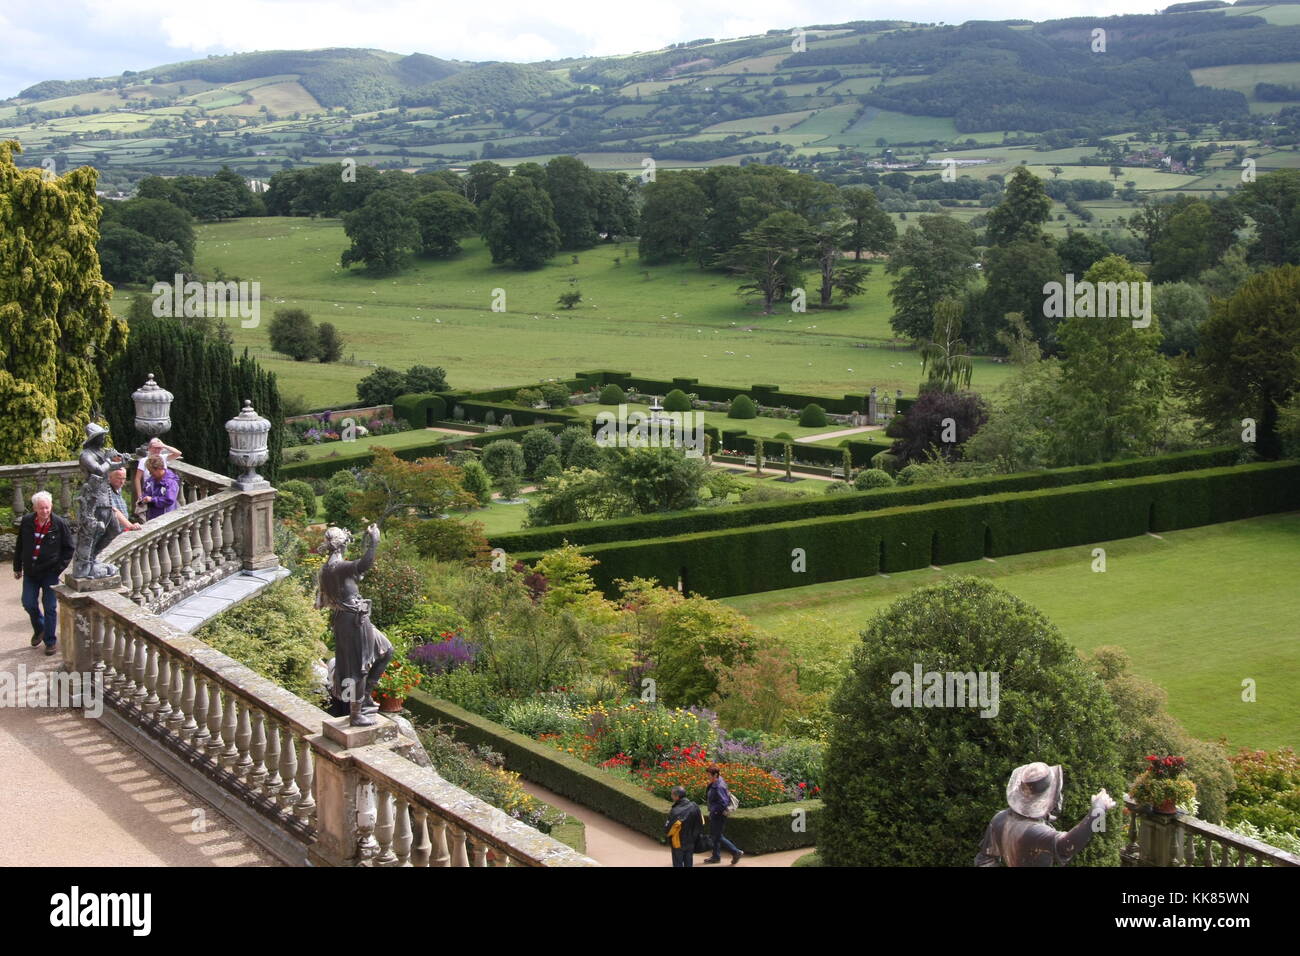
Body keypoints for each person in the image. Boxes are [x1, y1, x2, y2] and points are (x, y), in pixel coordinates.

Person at [317, 524, 394, 726]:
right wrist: (374, 541)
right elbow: (365, 564)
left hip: (350, 619)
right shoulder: (338, 567)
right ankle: (356, 713)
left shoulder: (327, 568)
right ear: (342, 545)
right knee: (358, 666)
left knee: (386, 650)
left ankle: (365, 696)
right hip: (353, 621)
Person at [975, 761, 1117, 867]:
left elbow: (984, 859)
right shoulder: (1034, 831)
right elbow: (1068, 845)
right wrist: (1098, 808)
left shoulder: (1000, 818)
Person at [13, 491, 75, 655]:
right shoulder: (27, 521)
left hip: (50, 573)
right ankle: (39, 628)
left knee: (50, 607)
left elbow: (69, 548)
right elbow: (20, 545)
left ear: (51, 506)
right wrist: (17, 567)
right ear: (34, 508)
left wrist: (58, 568)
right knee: (28, 603)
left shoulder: (59, 523)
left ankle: (50, 641)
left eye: (47, 508)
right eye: (41, 508)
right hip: (31, 572)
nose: (45, 511)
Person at [704, 765, 744, 864]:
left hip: (718, 815)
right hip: (717, 814)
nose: (707, 777)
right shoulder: (717, 781)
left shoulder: (718, 786)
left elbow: (723, 803)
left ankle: (736, 852)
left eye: (709, 775)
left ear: (716, 775)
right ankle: (716, 856)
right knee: (716, 835)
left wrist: (713, 811)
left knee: (717, 836)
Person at [665, 785, 705, 868]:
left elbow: (669, 830)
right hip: (691, 841)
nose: (671, 796)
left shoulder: (675, 811)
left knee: (678, 864)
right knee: (689, 863)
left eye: (672, 794)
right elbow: (702, 822)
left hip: (678, 843)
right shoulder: (695, 806)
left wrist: (667, 835)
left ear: (677, 796)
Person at [133, 438, 182, 503]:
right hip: (150, 490)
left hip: (163, 490)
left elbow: (178, 453)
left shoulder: (163, 457)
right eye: (155, 448)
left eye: (159, 448)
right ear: (149, 448)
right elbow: (137, 479)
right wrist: (139, 495)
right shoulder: (143, 461)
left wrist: (164, 445)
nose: (157, 450)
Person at [138, 455, 180, 520]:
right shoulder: (151, 480)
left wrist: (152, 499)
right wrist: (143, 498)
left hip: (165, 518)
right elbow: (146, 491)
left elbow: (169, 500)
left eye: (151, 471)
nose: (150, 473)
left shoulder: (170, 482)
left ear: (159, 468)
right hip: (151, 516)